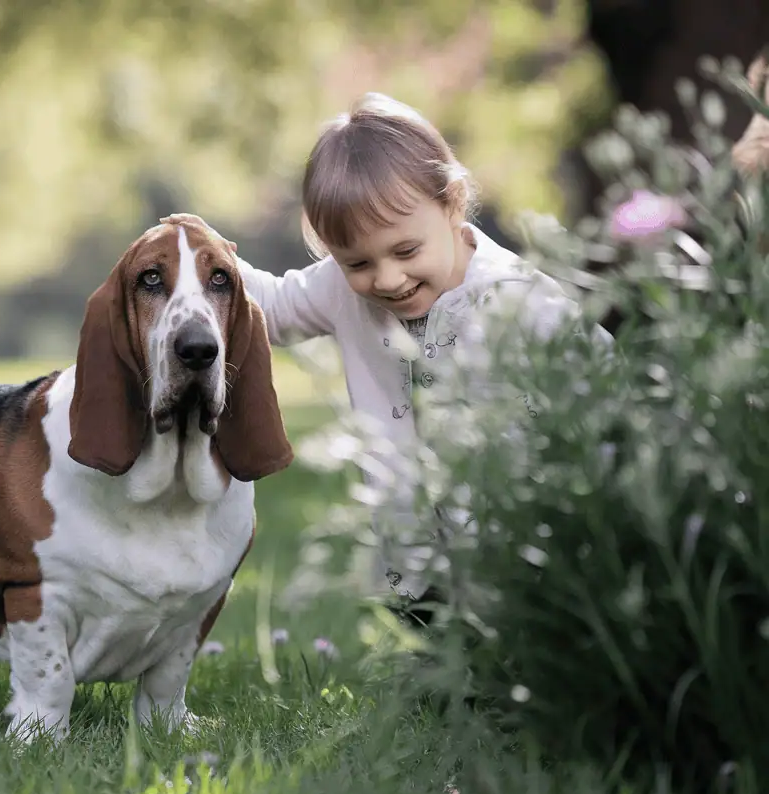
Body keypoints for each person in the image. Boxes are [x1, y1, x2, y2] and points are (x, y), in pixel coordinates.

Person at [164, 92, 612, 626]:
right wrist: (205, 252)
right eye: (357, 262)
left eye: (405, 252)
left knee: (520, 657)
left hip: (523, 548)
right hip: (414, 553)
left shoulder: (514, 300)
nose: (387, 279)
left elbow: (602, 376)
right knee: (438, 658)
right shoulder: (341, 289)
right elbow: (274, 306)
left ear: (451, 204)